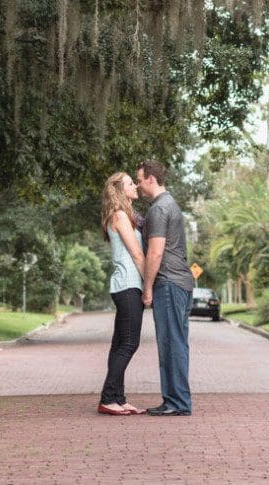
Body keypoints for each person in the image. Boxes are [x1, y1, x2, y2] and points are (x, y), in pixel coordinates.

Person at [136, 159, 194, 417]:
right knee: (176, 343)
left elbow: (156, 253)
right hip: (180, 283)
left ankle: (177, 402)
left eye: (139, 180)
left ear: (151, 178)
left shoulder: (159, 209)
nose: (138, 185)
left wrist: (147, 287)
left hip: (169, 284)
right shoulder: (167, 205)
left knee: (171, 344)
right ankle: (175, 399)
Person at [98, 172, 147, 416]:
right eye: (130, 183)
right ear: (119, 190)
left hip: (125, 286)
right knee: (129, 343)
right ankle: (108, 398)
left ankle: (117, 397)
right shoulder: (119, 215)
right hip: (129, 285)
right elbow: (137, 254)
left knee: (120, 344)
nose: (135, 186)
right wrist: (150, 285)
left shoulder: (123, 215)